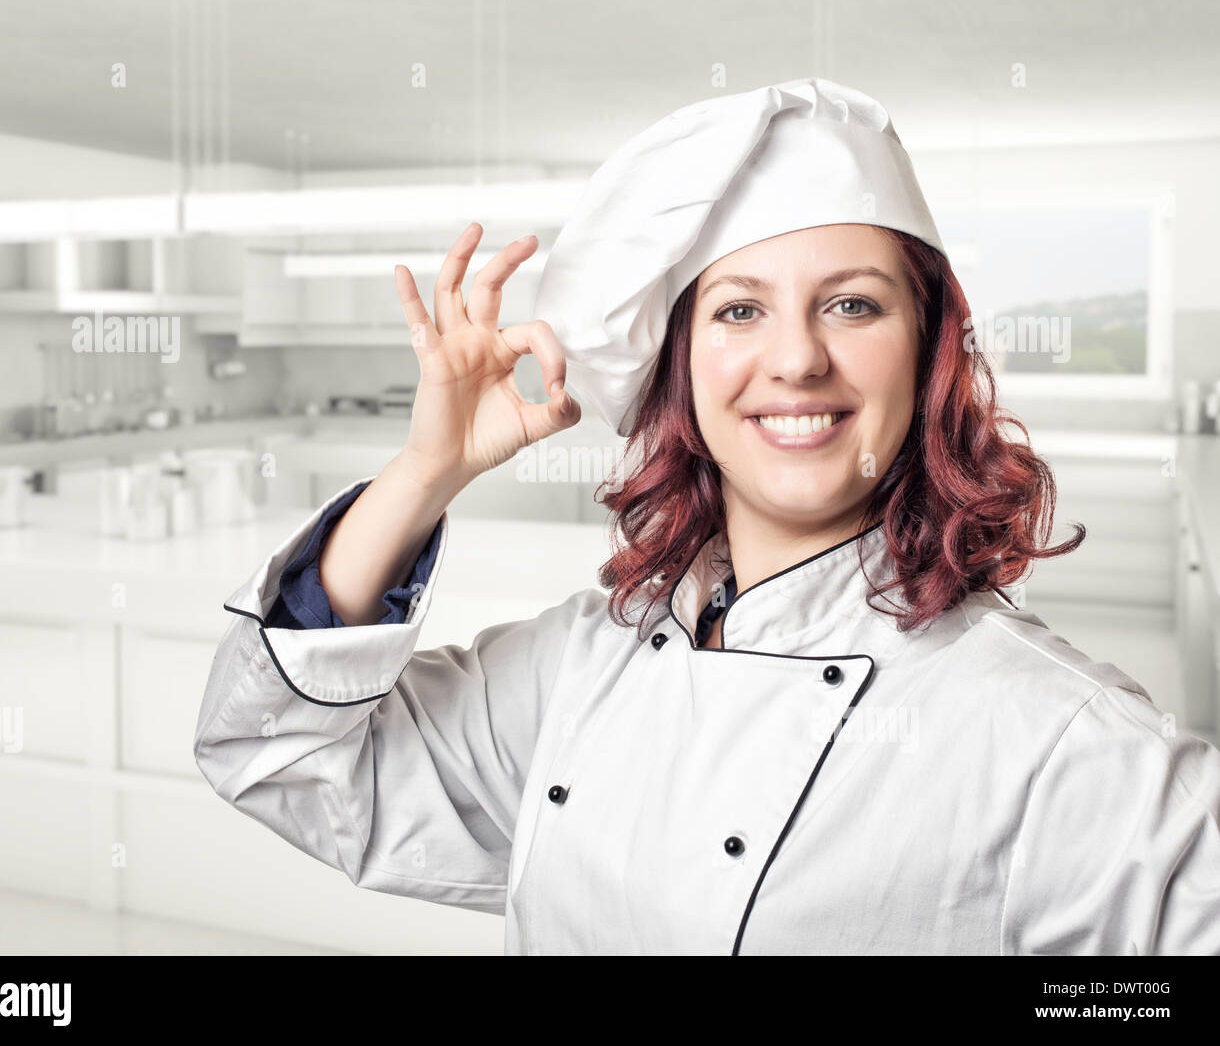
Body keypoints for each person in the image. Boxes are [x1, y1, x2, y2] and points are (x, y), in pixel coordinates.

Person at [194, 78, 1220, 955]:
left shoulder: (1062, 738)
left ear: (928, 351)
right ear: (681, 368)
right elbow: (279, 757)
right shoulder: (580, 669)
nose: (795, 359)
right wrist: (423, 473)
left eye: (853, 304)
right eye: (738, 309)